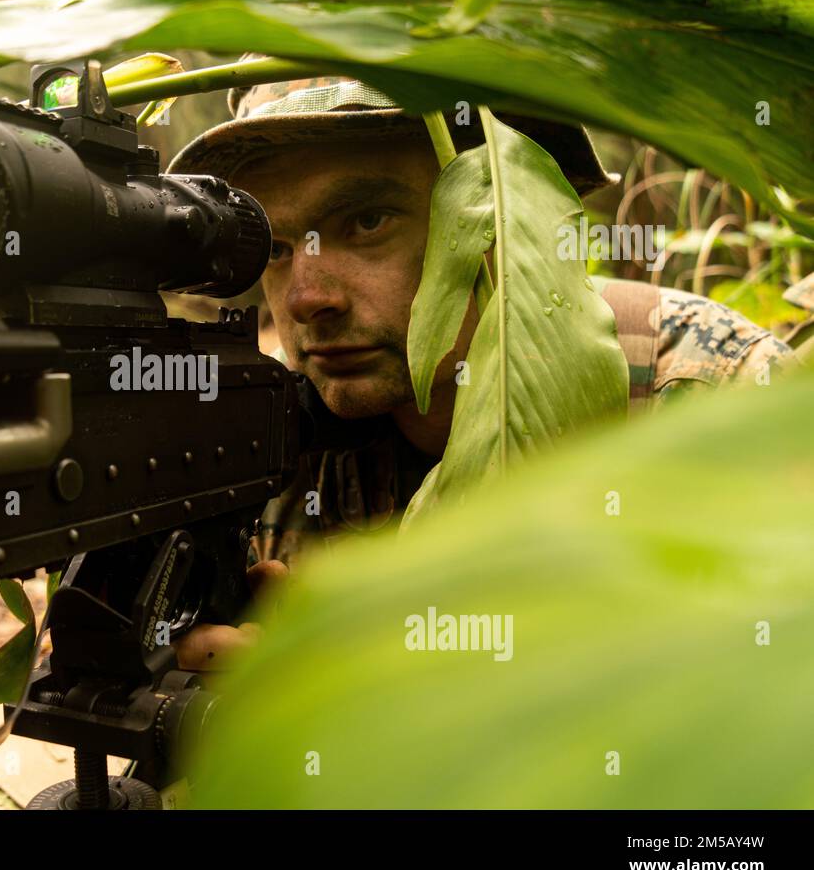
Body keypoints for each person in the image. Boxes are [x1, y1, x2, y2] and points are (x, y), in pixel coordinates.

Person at [166, 66, 794, 671]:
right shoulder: (275, 440)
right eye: (276, 248)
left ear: (508, 219)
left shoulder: (708, 391)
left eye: (366, 222)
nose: (306, 298)